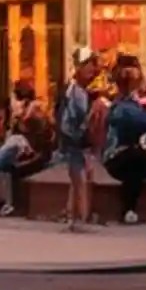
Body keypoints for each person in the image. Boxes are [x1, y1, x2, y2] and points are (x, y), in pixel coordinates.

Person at [103, 56, 146, 224]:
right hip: (116, 155)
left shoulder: (137, 102)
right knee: (134, 161)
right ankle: (129, 209)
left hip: (138, 149)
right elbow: (136, 122)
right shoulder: (119, 105)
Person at [58, 48, 99, 232]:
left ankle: (73, 217)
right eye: (88, 65)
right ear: (78, 68)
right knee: (80, 179)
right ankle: (79, 218)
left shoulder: (81, 91)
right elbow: (72, 120)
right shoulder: (74, 91)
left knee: (79, 180)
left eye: (93, 65)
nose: (92, 69)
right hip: (74, 143)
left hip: (79, 143)